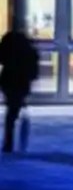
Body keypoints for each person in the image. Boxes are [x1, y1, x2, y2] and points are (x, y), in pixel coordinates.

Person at [0, 20, 37, 154]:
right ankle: (12, 141)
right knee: (15, 109)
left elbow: (1, 57)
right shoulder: (27, 43)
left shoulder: (7, 39)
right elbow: (33, 61)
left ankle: (8, 142)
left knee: (11, 110)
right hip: (21, 81)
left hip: (8, 80)